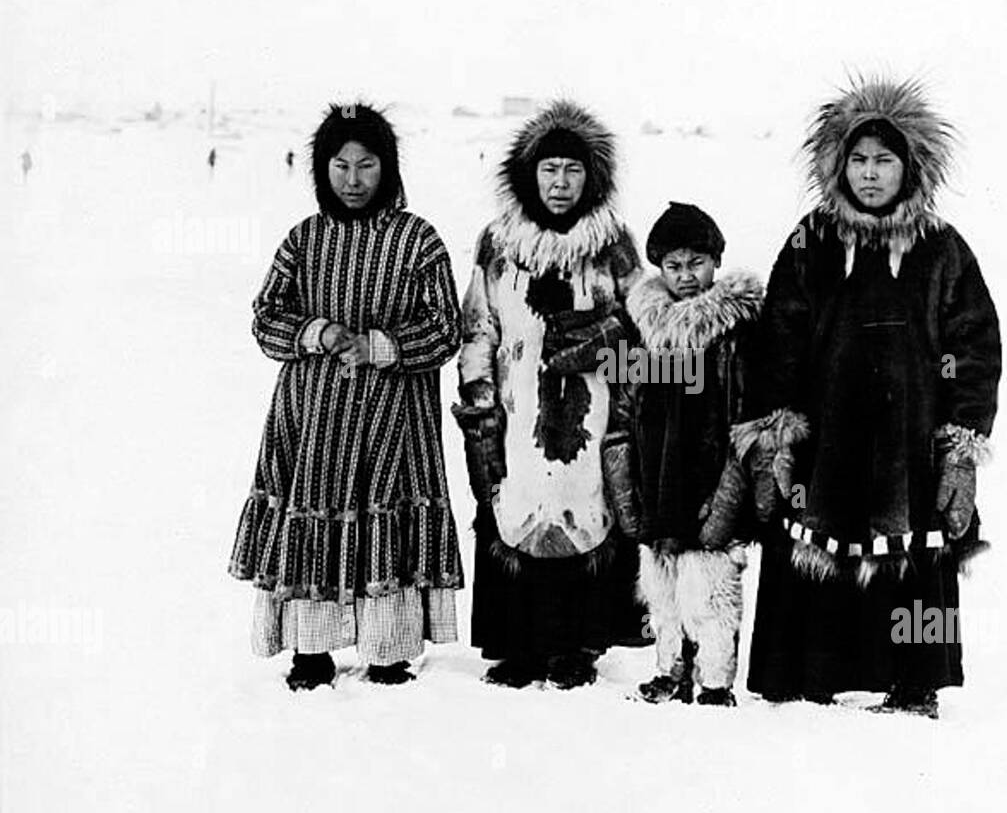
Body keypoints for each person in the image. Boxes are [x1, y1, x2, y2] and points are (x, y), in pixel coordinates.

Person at [739, 77, 1001, 717]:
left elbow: (975, 346)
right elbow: (779, 338)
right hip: (824, 440)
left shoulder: (942, 248)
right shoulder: (812, 243)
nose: (870, 173)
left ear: (910, 166)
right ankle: (810, 674)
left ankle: (916, 683)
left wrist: (962, 448)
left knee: (915, 551)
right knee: (814, 543)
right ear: (838, 164)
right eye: (858, 160)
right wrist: (776, 433)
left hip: (910, 440)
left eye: (885, 160)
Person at [229, 103, 464, 690]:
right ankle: (312, 650)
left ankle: (389, 650)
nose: (354, 181)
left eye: (366, 165)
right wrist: (318, 333)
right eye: (340, 166)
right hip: (313, 419)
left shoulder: (417, 240)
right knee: (315, 513)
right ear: (321, 169)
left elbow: (445, 328)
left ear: (388, 168)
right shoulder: (304, 239)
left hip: (394, 419)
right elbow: (264, 319)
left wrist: (380, 346)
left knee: (387, 512)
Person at [458, 99, 644, 690]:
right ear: (527, 175)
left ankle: (577, 645)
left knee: (584, 509)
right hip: (516, 406)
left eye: (572, 171)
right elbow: (479, 324)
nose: (560, 184)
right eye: (549, 170)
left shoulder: (612, 244)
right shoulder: (498, 243)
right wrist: (479, 393)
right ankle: (519, 646)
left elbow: (640, 325)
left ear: (592, 178)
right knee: (516, 510)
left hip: (588, 410)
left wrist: (598, 342)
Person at [603, 203, 763, 707]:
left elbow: (747, 418)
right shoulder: (641, 329)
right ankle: (670, 668)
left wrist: (733, 493)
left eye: (697, 263)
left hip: (710, 479)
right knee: (663, 585)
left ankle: (715, 680)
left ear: (716, 261)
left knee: (711, 588)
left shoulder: (737, 333)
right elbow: (622, 413)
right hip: (656, 479)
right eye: (673, 265)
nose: (686, 276)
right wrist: (625, 487)